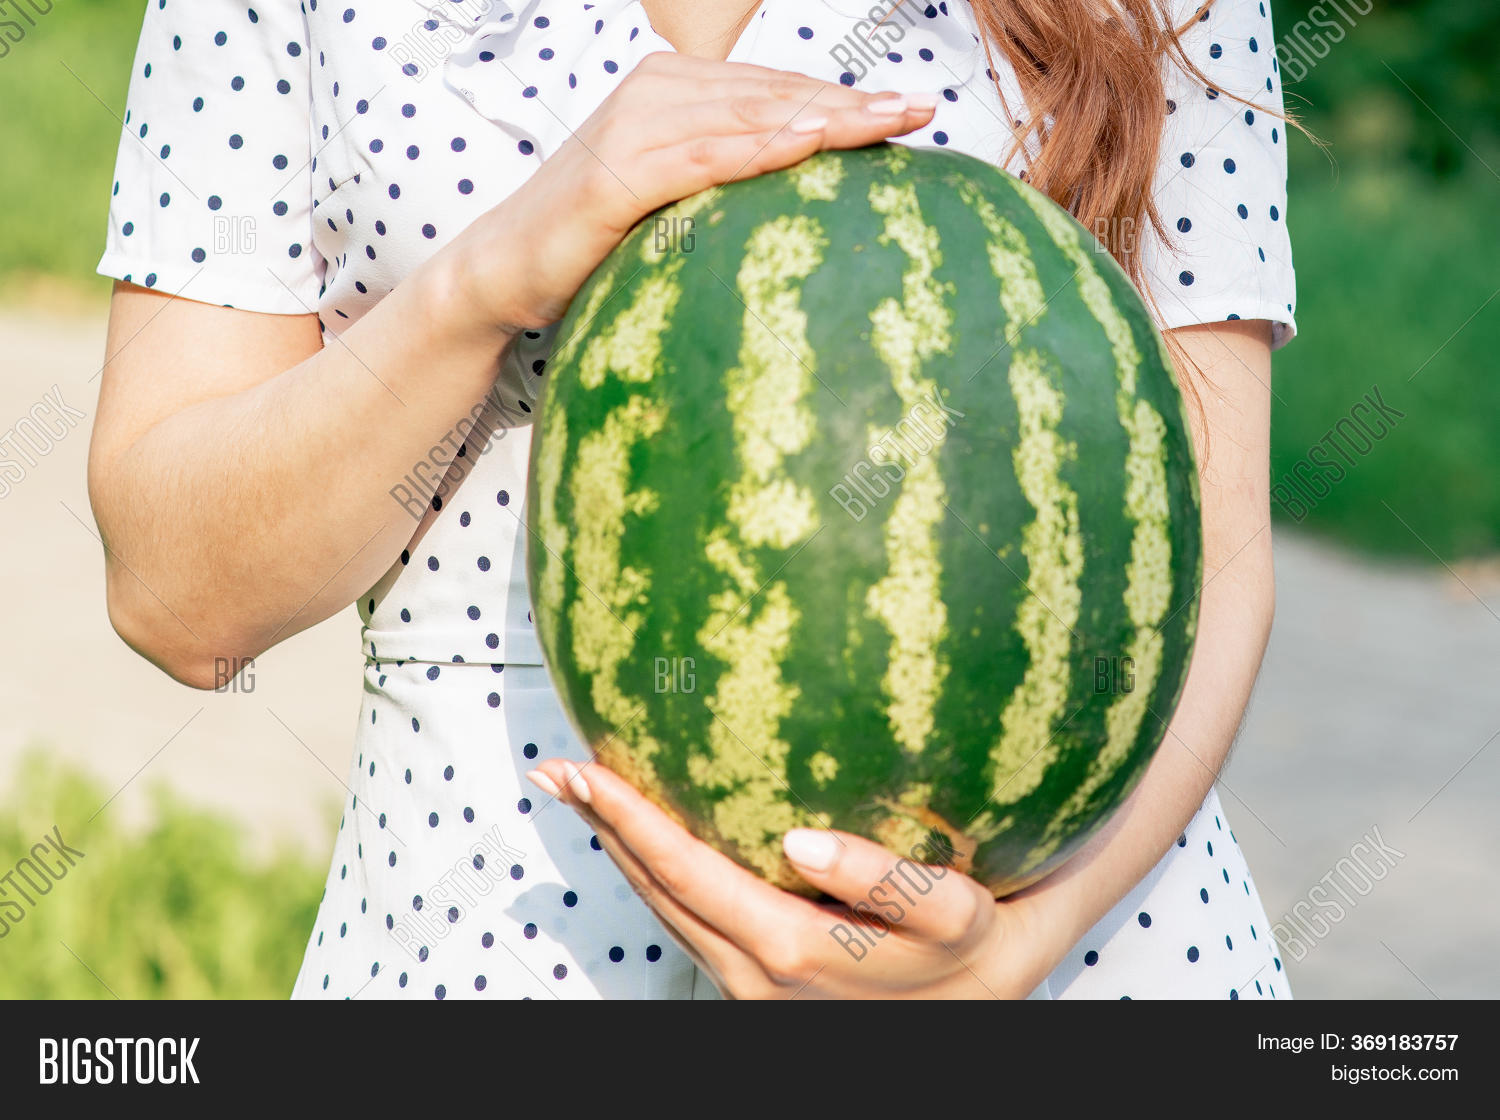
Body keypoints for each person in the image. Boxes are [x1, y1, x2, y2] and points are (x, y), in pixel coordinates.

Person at [91, 0, 1294, 999]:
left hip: (1070, 957)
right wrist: (486, 282)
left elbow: (1214, 557)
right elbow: (175, 591)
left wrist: (1008, 952)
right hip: (487, 940)